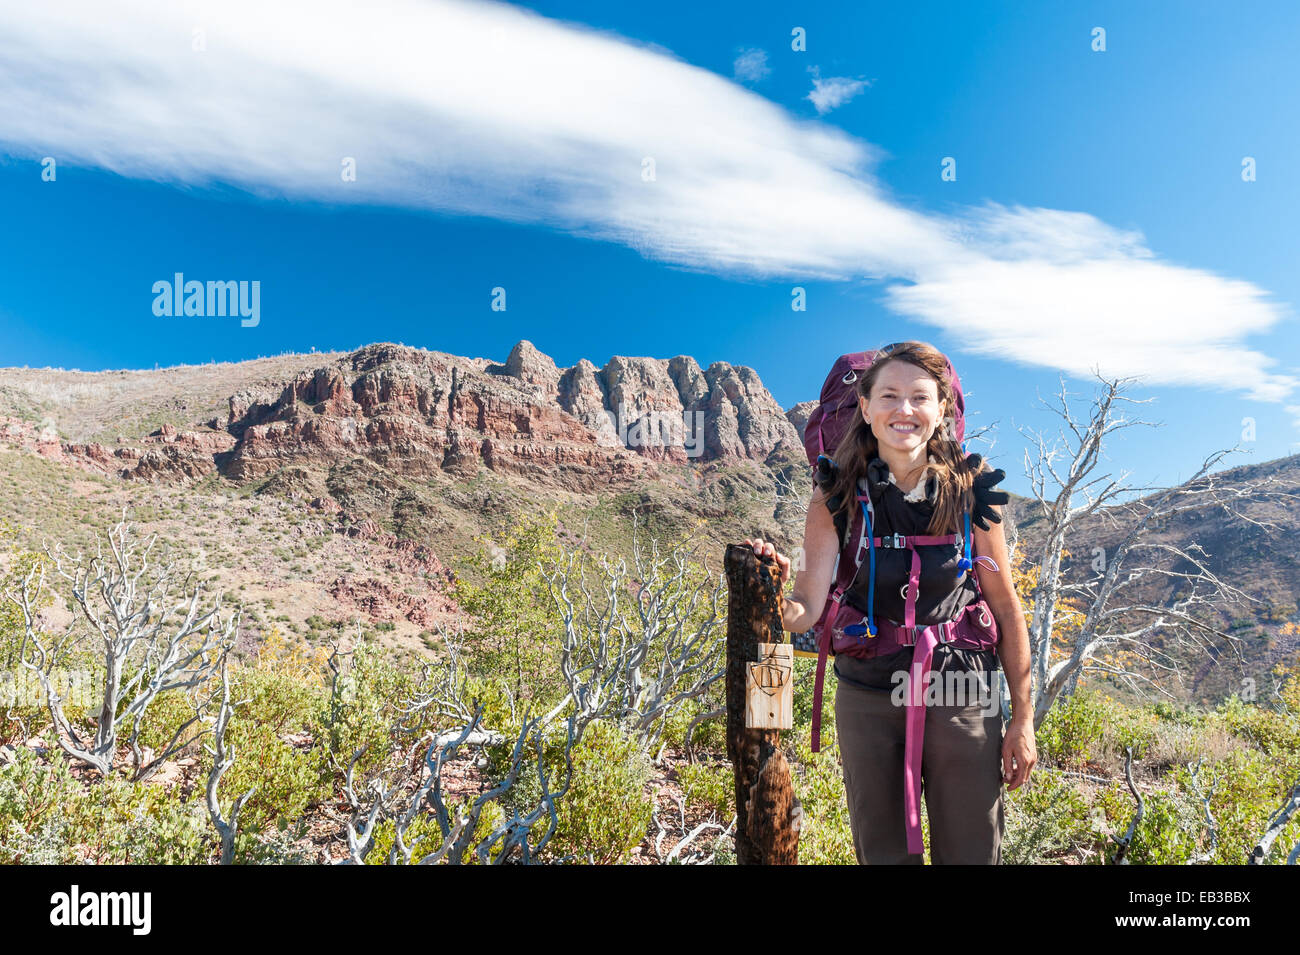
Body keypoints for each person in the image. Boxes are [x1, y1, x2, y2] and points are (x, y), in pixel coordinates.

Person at [745, 341, 1036, 864]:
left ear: (942, 408)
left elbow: (1005, 604)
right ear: (865, 406)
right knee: (883, 855)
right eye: (890, 396)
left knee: (971, 853)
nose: (905, 411)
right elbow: (807, 608)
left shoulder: (974, 494)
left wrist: (1023, 718)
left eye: (920, 398)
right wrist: (768, 584)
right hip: (869, 696)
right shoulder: (834, 495)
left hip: (962, 693)